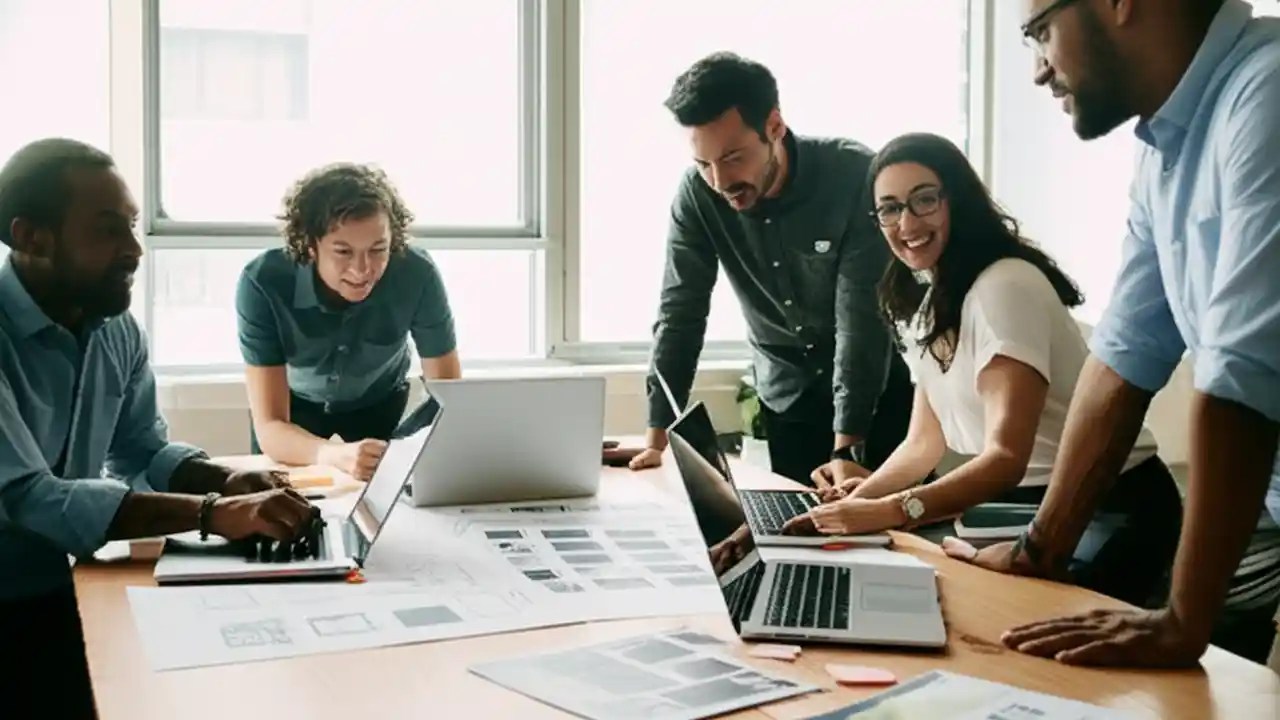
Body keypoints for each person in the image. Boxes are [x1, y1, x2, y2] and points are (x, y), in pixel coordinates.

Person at [946, 0, 1280, 668]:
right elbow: (1122, 360)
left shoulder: (1266, 93)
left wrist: (1184, 622)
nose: (1038, 70)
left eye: (1040, 31)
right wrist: (1039, 552)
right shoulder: (1165, 148)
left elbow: (1241, 375)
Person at [777, 133, 1182, 608]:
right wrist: (856, 503)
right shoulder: (930, 303)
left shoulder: (1003, 286)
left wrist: (891, 510)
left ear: (958, 201)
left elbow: (1006, 456)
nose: (905, 222)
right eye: (889, 208)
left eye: (924, 200)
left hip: (1109, 506)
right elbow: (922, 444)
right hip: (1024, 503)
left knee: (996, 624)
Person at [0, 138, 318, 718]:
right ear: (31, 238)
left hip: (63, 588)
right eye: (107, 230)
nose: (134, 250)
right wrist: (209, 514)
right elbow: (28, 498)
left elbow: (139, 448)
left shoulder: (113, 329)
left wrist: (225, 481)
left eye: (133, 225)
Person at [624, 52, 914, 487]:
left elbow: (862, 320)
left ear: (774, 127)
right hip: (788, 404)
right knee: (801, 544)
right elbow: (680, 313)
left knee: (903, 541)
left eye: (734, 157)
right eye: (704, 164)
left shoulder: (854, 175)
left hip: (879, 400)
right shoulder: (697, 196)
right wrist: (657, 438)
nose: (720, 182)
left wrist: (847, 449)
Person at [237, 163, 461, 482]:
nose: (362, 269)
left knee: (382, 502)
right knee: (277, 507)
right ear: (310, 245)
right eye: (343, 251)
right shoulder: (262, 282)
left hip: (380, 400)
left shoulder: (418, 273)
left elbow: (448, 399)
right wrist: (333, 454)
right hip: (294, 410)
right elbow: (270, 426)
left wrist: (406, 452)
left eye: (378, 250)